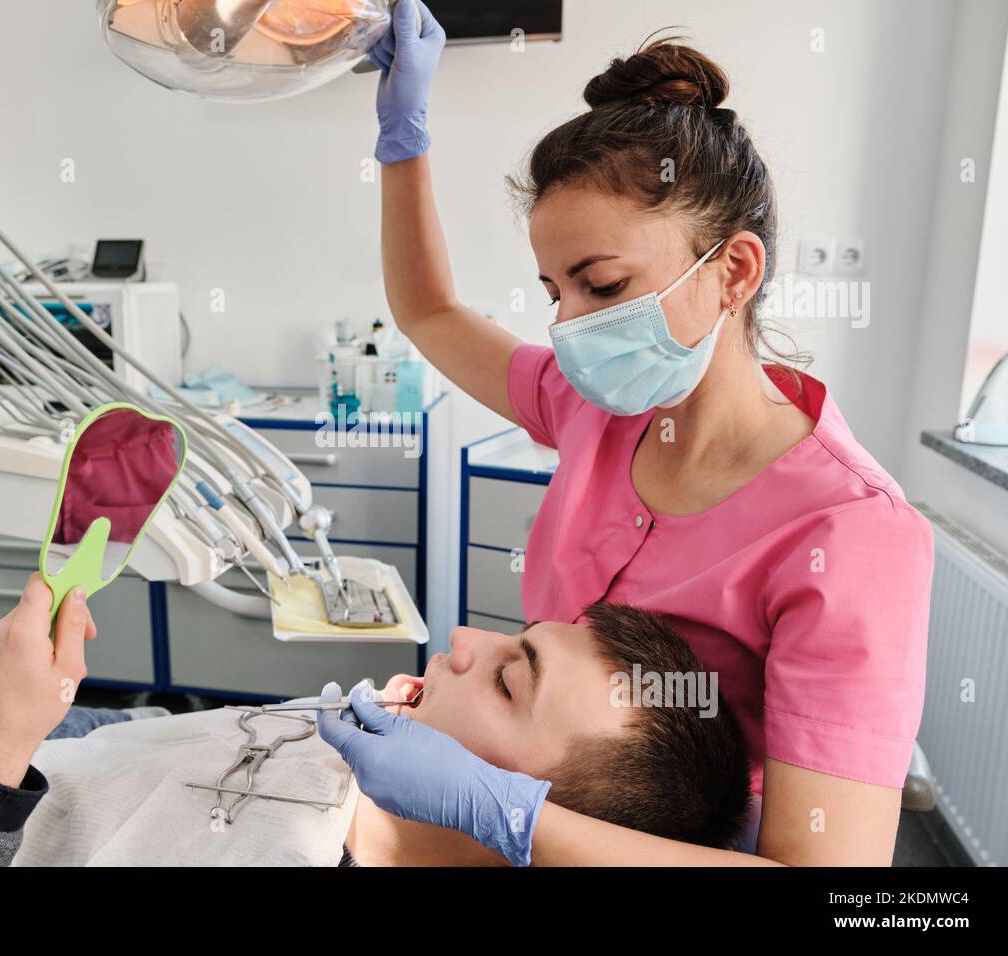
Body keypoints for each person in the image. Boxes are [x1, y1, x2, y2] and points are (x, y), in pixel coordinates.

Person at [326, 2, 935, 866]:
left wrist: (512, 816)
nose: (569, 327)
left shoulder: (853, 535)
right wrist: (403, 139)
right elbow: (429, 311)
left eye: (601, 286)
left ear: (734, 271)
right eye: (552, 292)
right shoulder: (599, 407)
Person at [0, 578, 748, 866]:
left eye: (511, 681)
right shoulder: (363, 728)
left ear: (509, 812)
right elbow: (147, 749)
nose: (466, 641)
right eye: (516, 633)